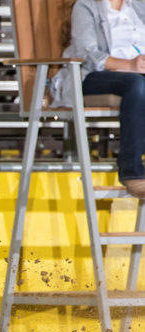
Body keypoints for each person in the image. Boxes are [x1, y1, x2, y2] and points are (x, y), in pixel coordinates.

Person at [53, 0, 145, 198]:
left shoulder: (138, 6)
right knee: (137, 85)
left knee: (139, 84)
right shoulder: (86, 6)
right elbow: (85, 52)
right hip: (98, 75)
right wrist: (129, 64)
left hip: (138, 74)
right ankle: (131, 171)